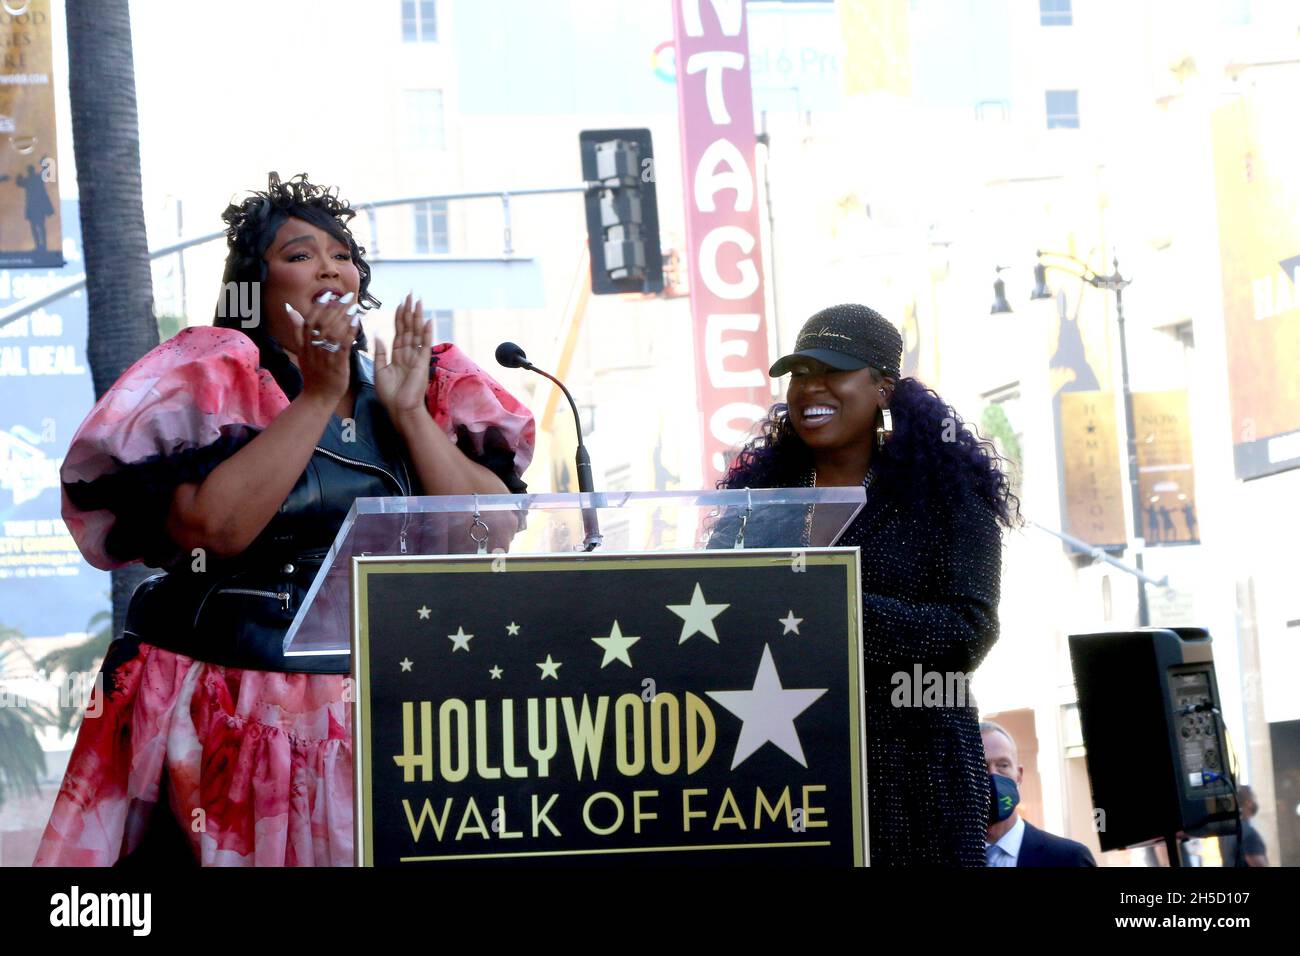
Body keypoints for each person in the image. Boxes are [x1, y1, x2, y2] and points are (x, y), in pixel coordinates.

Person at [35, 173, 534, 866]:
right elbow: (215, 529)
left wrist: (412, 414)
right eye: (299, 254)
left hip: (367, 708)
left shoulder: (409, 386)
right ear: (255, 286)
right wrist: (317, 395)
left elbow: (488, 533)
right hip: (229, 702)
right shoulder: (213, 375)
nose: (329, 265)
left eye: (341, 253)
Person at [718, 303, 1018, 866]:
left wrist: (831, 605)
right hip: (779, 772)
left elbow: (968, 633)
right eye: (799, 373)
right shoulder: (758, 503)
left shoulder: (947, 495)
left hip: (915, 778)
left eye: (832, 370)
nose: (810, 388)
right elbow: (718, 612)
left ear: (884, 388)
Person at [980, 720, 1096, 867]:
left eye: (1003, 765)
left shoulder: (1070, 858)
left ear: (1019, 775)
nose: (992, 775)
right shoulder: (948, 859)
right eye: (981, 767)